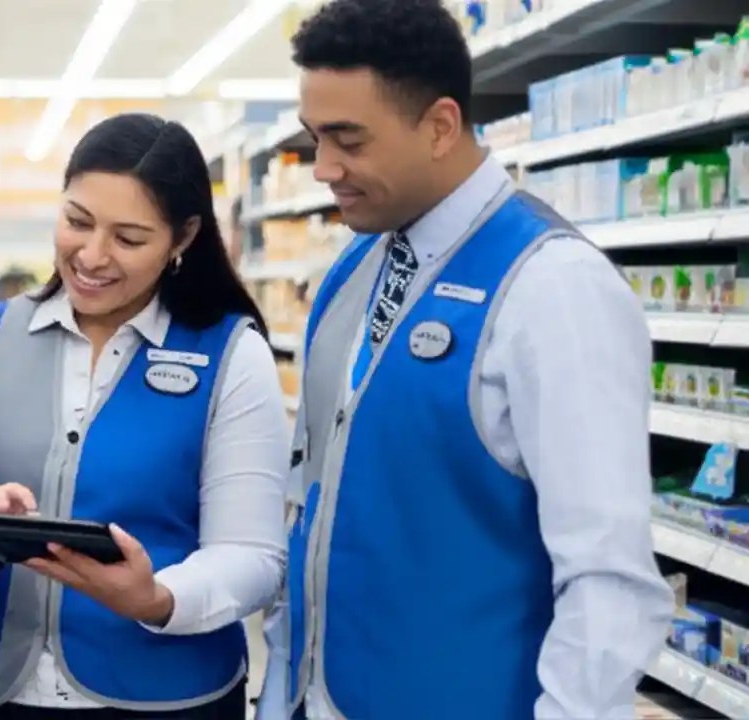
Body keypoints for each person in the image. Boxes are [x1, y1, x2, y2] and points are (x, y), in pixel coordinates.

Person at [256, 1, 676, 718]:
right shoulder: (354, 268)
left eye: (348, 139)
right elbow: (315, 510)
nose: (324, 168)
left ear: (441, 126)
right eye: (314, 137)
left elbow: (609, 583)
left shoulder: (554, 288)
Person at [0, 113, 290, 719]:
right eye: (76, 222)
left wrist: (158, 598)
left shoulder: (232, 355)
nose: (91, 255)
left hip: (171, 701)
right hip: (7, 698)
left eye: (129, 238)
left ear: (182, 238)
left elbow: (253, 554)